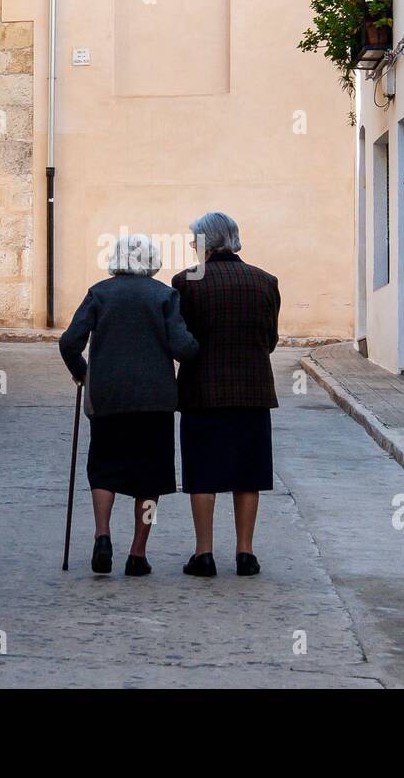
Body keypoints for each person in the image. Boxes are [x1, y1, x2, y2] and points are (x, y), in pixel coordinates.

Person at [59, 233, 199, 577]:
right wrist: (196, 345)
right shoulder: (165, 295)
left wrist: (85, 374)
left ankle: (102, 534)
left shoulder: (100, 293)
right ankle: (138, 553)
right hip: (155, 401)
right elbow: (183, 347)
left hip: (108, 397)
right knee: (150, 477)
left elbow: (69, 342)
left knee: (105, 466)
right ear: (151, 262)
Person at [172, 212, 280, 578]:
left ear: (203, 244)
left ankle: (204, 554)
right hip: (252, 391)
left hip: (202, 392)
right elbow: (270, 340)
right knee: (247, 473)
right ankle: (245, 554)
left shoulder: (186, 284)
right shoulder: (265, 281)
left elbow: (180, 341)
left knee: (202, 472)